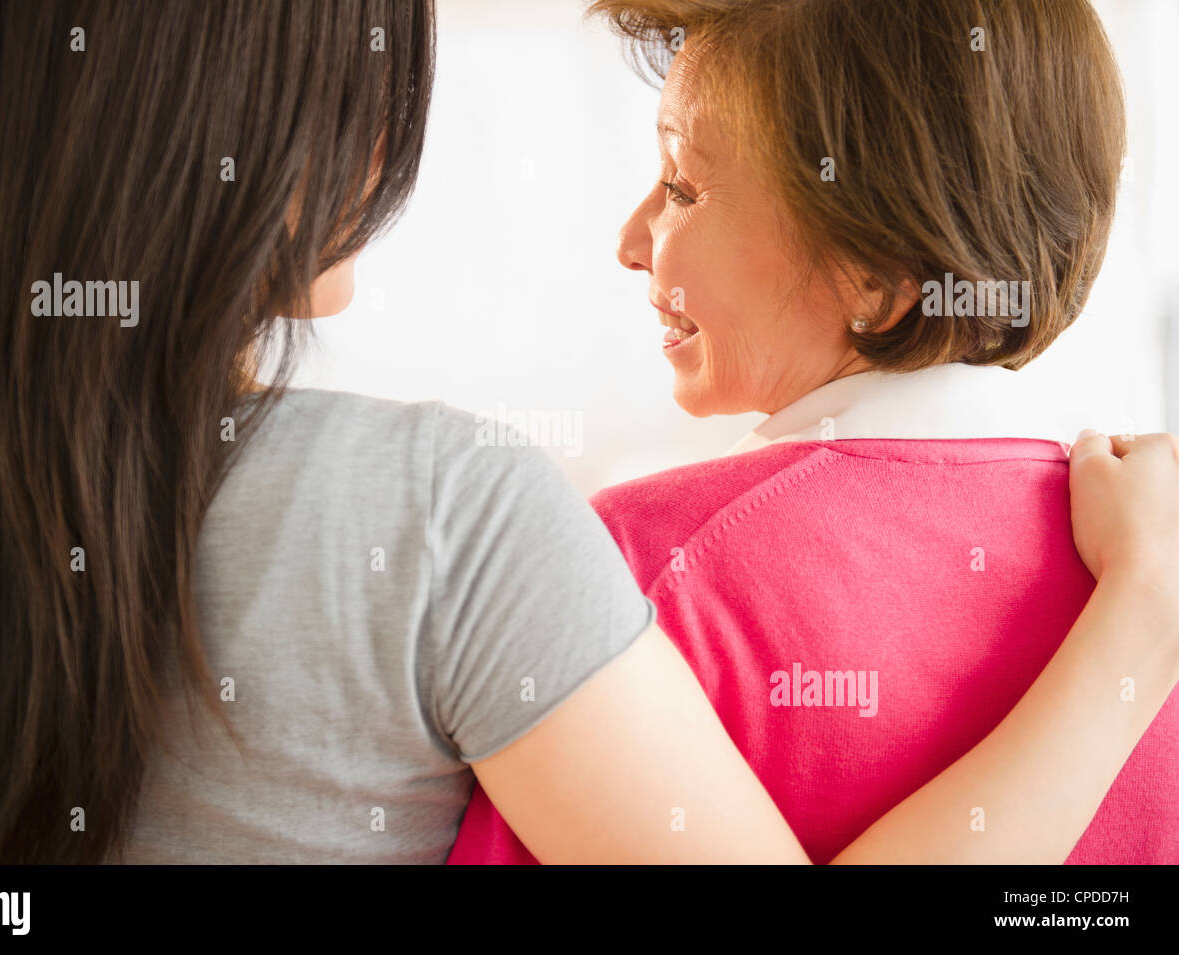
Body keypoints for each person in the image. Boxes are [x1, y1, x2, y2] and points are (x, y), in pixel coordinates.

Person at [0, 0, 1173, 866]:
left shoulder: (639, 559)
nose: (388, 134)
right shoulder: (467, 525)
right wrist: (1135, 625)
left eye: (680, 184)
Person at [449, 0, 1179, 864]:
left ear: (873, 273)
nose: (631, 241)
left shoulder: (633, 574)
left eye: (682, 186)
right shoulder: (1139, 556)